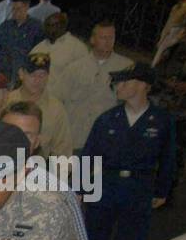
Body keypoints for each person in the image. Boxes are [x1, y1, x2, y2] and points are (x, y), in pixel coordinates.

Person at [78, 63, 177, 240]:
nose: (118, 86)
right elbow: (88, 155)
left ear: (143, 85)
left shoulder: (161, 121)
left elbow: (169, 158)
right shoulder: (108, 119)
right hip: (104, 186)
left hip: (138, 189)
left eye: (124, 81)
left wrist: (163, 190)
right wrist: (80, 189)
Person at [1, 102, 91, 240]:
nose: (17, 140)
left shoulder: (59, 191)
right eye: (10, 132)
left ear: (37, 141)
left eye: (27, 135)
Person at [56, 21, 131, 150]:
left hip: (105, 142)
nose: (108, 41)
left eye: (111, 37)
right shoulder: (75, 68)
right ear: (92, 39)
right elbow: (58, 100)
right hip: (75, 140)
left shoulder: (126, 68)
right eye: (103, 37)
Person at [152, 16, 186, 182]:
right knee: (159, 150)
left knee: (180, 154)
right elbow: (156, 74)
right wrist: (169, 83)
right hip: (167, 110)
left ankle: (170, 187)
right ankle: (157, 185)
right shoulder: (172, 51)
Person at [3, 52, 72, 157]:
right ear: (21, 74)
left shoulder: (56, 109)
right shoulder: (6, 102)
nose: (37, 80)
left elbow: (62, 150)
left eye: (42, 75)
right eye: (32, 75)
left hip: (41, 167)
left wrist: (56, 172)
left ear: (48, 76)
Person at [0, 0, 42, 83]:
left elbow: (40, 52)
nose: (15, 12)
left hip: (22, 73)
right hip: (1, 71)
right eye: (13, 9)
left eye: (18, 9)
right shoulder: (5, 26)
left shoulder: (36, 27)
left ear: (26, 7)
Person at [29, 12, 88, 79]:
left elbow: (85, 74)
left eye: (53, 25)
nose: (49, 29)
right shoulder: (39, 48)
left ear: (63, 26)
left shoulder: (77, 47)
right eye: (47, 25)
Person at [152, 0, 186, 66]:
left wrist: (179, 37)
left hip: (177, 36)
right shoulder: (176, 6)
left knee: (166, 56)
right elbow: (170, 21)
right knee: (160, 53)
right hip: (168, 33)